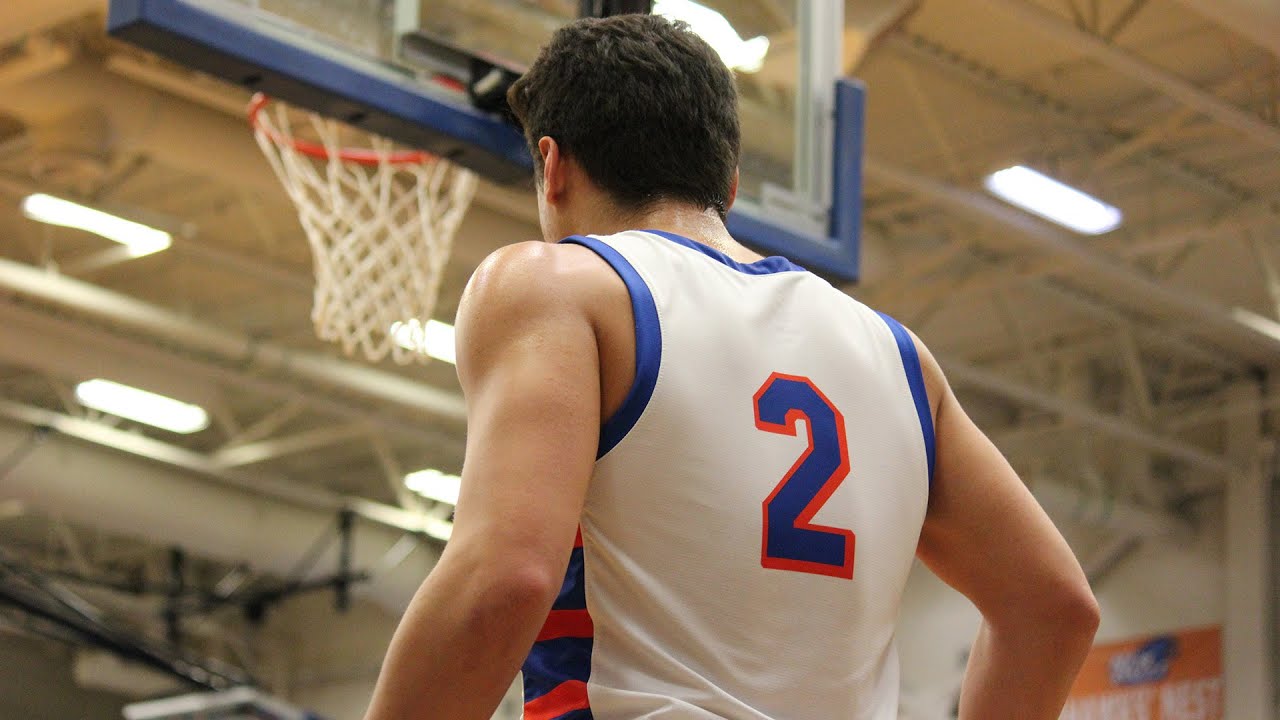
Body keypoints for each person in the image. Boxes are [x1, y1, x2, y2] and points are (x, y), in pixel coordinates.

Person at [364, 13, 1099, 720]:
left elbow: (505, 580)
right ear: (732, 182)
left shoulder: (559, 283)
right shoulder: (898, 354)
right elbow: (1055, 608)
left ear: (552, 167)